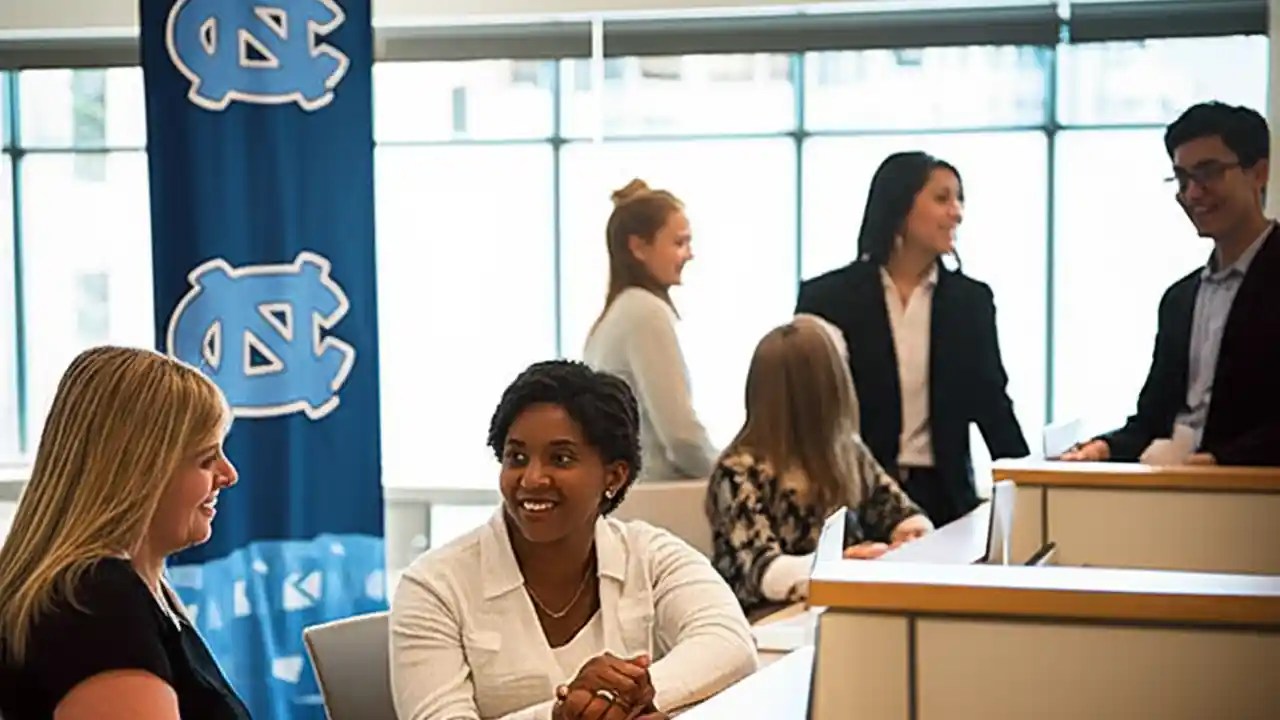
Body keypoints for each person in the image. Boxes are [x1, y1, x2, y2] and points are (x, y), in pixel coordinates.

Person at [390, 360, 756, 720]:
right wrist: (560, 713)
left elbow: (730, 643)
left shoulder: (650, 556)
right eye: (516, 457)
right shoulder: (434, 585)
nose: (532, 478)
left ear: (613, 476)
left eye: (560, 459)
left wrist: (633, 694)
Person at [0, 346, 248, 720]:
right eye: (205, 459)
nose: (229, 474)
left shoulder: (121, 596)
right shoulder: (98, 607)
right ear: (142, 473)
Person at [796, 151, 1029, 527]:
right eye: (942, 198)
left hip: (945, 499)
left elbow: (992, 405)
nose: (957, 212)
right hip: (853, 497)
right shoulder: (827, 298)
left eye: (959, 199)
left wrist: (1032, 488)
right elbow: (807, 408)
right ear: (900, 205)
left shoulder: (970, 302)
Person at [1062, 102, 1280, 467]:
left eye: (1208, 173)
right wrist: (1105, 448)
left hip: (1254, 501)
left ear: (1258, 173)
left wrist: (1219, 461)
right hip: (1175, 489)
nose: (1193, 193)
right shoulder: (1180, 300)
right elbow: (1154, 419)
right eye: (1182, 179)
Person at [705, 317, 932, 612]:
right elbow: (763, 571)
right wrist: (839, 566)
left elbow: (899, 512)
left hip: (832, 611)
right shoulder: (737, 472)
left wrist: (912, 534)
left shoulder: (849, 452)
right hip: (764, 623)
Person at [583, 179, 719, 482]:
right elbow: (681, 437)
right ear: (639, 247)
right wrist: (730, 478)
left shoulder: (616, 314)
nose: (689, 254)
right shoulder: (645, 314)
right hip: (657, 500)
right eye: (679, 243)